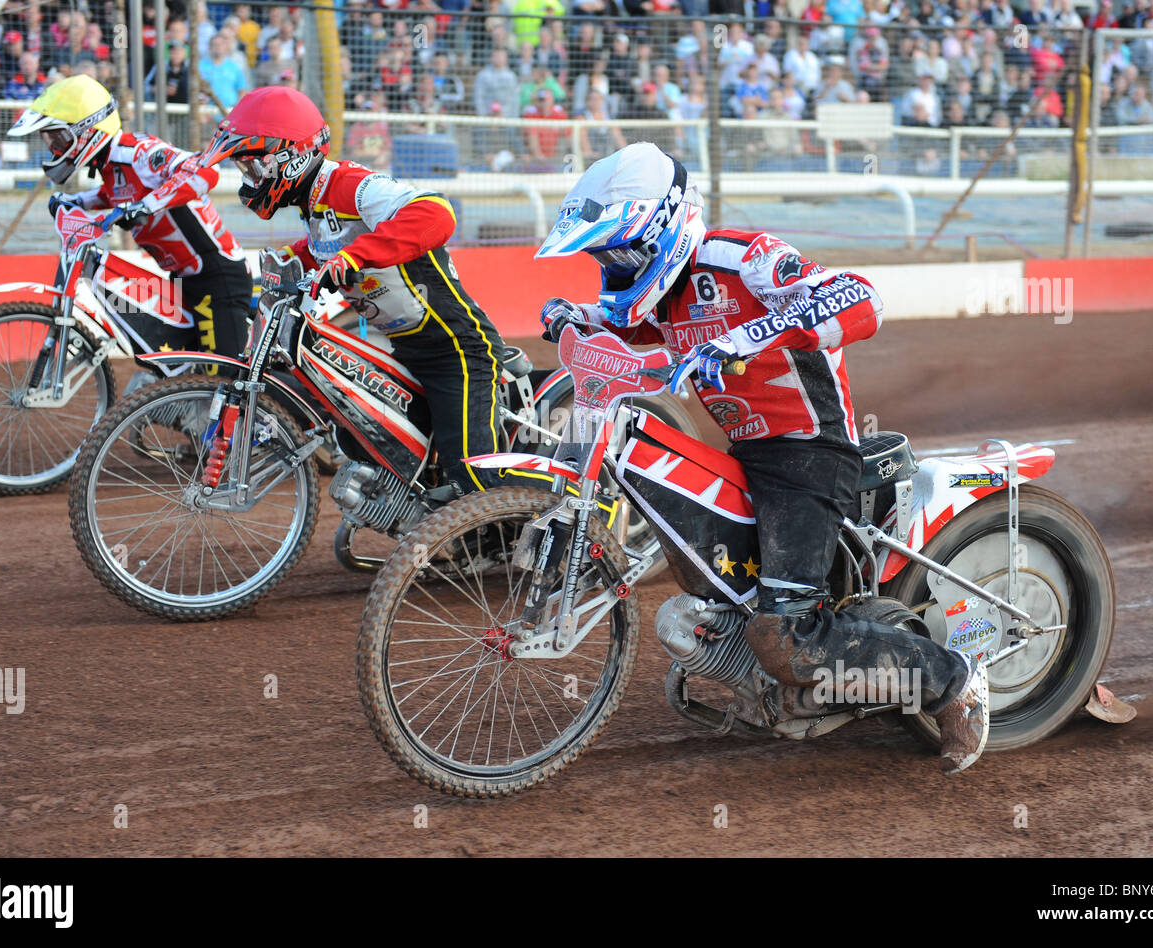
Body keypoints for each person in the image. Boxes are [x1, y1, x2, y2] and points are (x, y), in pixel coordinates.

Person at [536, 143, 990, 775]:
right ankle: (765, 686)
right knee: (704, 597)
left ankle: (952, 680)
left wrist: (746, 336)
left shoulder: (741, 258)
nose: (614, 269)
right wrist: (574, 315)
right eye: (604, 259)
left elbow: (860, 299)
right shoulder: (662, 297)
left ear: (663, 230)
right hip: (741, 453)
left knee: (791, 635)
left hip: (809, 451)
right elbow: (626, 324)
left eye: (622, 254)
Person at [199, 86, 506, 493]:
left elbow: (436, 213)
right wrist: (284, 266)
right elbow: (323, 245)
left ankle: (569, 512)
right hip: (408, 352)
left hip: (457, 351)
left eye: (253, 168)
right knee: (375, 444)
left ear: (289, 158)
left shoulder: (351, 185)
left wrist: (355, 258)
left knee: (472, 474)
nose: (249, 181)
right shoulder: (314, 204)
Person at [6, 74, 252, 370]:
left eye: (58, 139)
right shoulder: (111, 168)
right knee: (168, 367)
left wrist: (146, 206)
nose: (54, 150)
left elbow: (205, 172)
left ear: (87, 130)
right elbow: (111, 196)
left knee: (221, 379)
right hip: (183, 281)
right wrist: (75, 202)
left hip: (218, 278)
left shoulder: (138, 151)